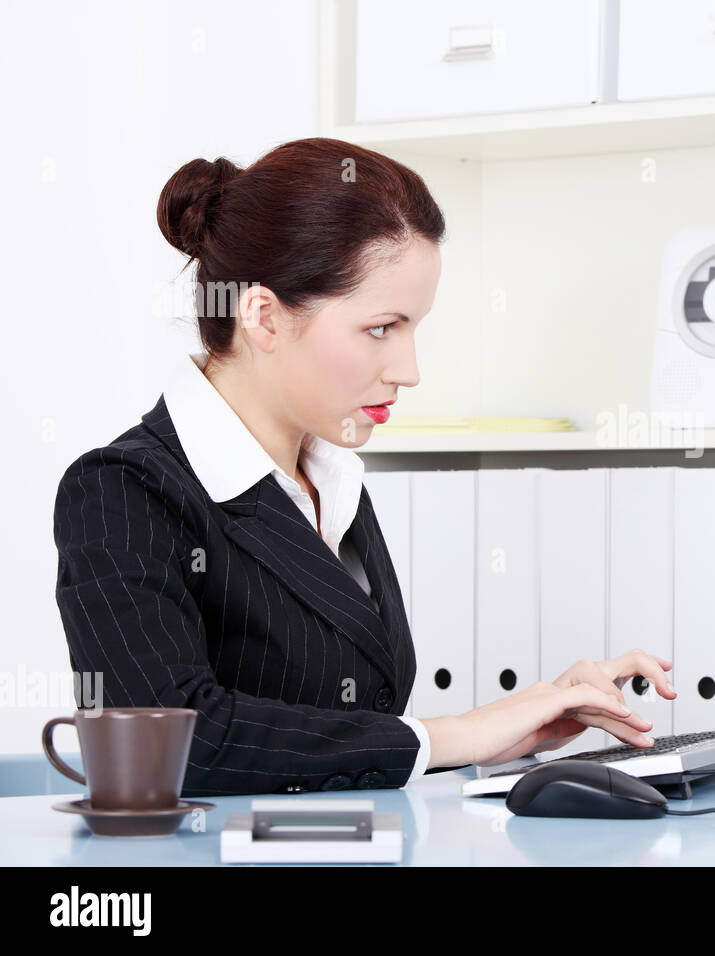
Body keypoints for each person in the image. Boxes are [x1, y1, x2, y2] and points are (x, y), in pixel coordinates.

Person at [51, 137, 674, 796]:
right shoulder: (124, 490)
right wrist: (455, 732)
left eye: (414, 329)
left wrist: (524, 724)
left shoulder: (332, 477)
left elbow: (346, 731)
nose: (408, 371)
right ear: (261, 315)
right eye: (382, 328)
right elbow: (177, 742)